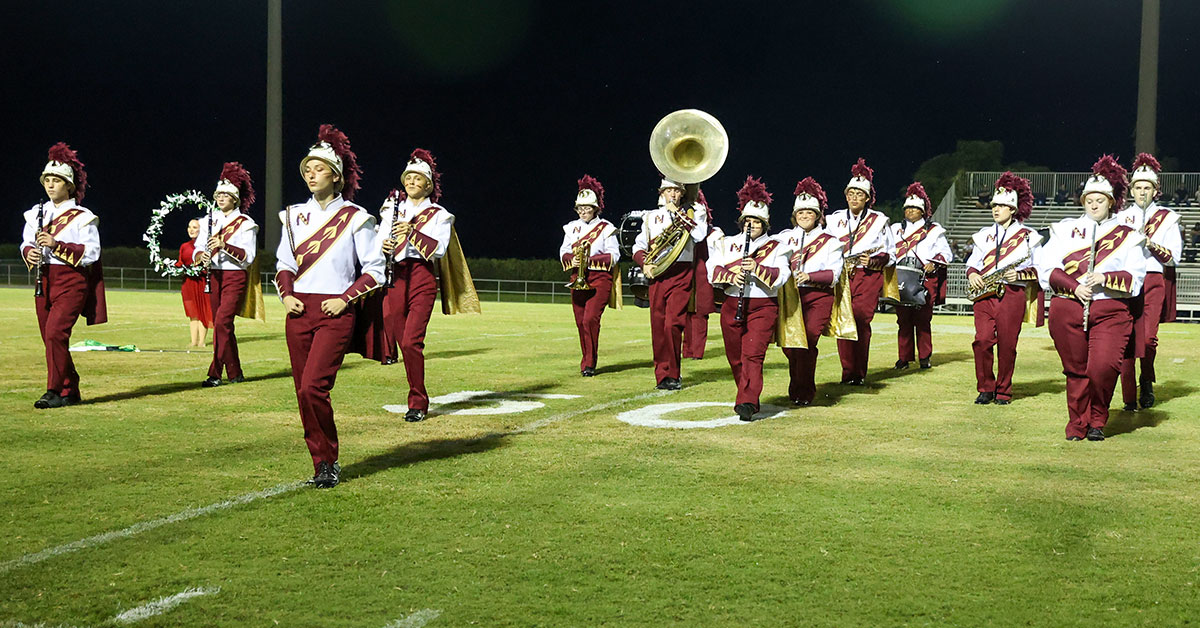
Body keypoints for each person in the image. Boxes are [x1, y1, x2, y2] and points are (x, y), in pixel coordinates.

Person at [275, 124, 386, 488]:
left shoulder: (356, 217)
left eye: (319, 168)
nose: (311, 174)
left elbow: (375, 271)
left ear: (336, 176)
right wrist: (286, 295)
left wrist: (344, 299)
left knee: (313, 389)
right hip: (298, 311)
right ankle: (321, 462)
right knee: (301, 393)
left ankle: (329, 459)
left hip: (334, 311)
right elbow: (284, 265)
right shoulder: (292, 216)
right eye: (307, 169)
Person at [1036, 156, 1145, 441]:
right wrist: (1074, 286)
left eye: (1100, 200)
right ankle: (1078, 424)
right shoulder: (1063, 228)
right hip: (1068, 306)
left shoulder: (1128, 236)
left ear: (1111, 201)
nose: (1094, 205)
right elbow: (1046, 268)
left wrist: (1104, 279)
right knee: (1075, 371)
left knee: (1102, 367)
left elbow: (1136, 278)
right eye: (1089, 200)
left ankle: (1098, 416)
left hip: (1110, 309)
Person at [379, 148, 480, 422]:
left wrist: (411, 233)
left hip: (422, 277)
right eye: (408, 178)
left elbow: (439, 250)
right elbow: (377, 243)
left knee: (412, 342)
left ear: (428, 185)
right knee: (398, 337)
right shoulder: (391, 208)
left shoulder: (438, 214)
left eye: (418, 178)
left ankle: (418, 402)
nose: (412, 182)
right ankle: (415, 394)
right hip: (395, 275)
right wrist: (384, 245)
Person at [21, 142, 106, 409]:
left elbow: (92, 253)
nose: (50, 184)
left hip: (71, 281)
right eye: (47, 179)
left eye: (56, 180)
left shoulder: (83, 217)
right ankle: (71, 387)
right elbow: (25, 241)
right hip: (43, 280)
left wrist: (56, 245)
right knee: (50, 337)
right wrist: (29, 253)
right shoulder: (36, 213)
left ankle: (54, 390)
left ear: (69, 185)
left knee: (56, 333)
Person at [707, 177, 789, 421]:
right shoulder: (727, 243)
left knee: (753, 354)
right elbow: (712, 269)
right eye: (747, 221)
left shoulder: (777, 246)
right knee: (735, 357)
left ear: (765, 224)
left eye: (756, 222)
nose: (751, 225)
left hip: (763, 305)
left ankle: (747, 401)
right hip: (733, 303)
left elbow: (782, 275)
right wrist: (731, 275)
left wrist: (757, 267)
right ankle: (747, 392)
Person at [965, 172, 1043, 405]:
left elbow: (1040, 270)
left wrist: (1019, 275)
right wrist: (972, 274)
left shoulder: (1030, 237)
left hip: (1012, 294)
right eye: (994, 205)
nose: (996, 209)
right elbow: (972, 264)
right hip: (985, 294)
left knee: (1008, 345)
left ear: (1012, 209)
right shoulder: (983, 235)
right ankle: (985, 388)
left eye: (1001, 206)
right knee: (982, 340)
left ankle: (1004, 390)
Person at [1116, 153, 1182, 410]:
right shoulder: (1120, 217)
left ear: (1156, 191)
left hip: (1154, 280)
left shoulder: (1168, 217)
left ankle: (1146, 380)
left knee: (1147, 339)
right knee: (1125, 337)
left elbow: (1173, 258)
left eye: (1147, 188)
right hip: (1125, 281)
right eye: (1138, 187)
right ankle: (1129, 396)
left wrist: (1151, 243)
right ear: (1131, 190)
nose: (1142, 192)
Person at [632, 176, 708, 390]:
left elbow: (700, 235)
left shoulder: (695, 212)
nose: (672, 195)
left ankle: (673, 374)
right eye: (668, 191)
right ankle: (661, 375)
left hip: (681, 272)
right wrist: (643, 263)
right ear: (661, 193)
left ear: (682, 193)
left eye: (676, 191)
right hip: (657, 273)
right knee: (658, 325)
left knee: (673, 323)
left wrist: (679, 214)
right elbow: (639, 245)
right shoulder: (651, 217)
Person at [774, 177, 843, 406]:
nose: (805, 216)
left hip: (817, 297)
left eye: (809, 212)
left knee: (807, 341)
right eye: (801, 212)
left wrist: (810, 276)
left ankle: (803, 391)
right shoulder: (782, 238)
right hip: (790, 298)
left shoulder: (831, 241)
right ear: (795, 215)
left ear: (818, 215)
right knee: (789, 345)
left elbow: (834, 274)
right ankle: (798, 387)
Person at [825, 158, 893, 386]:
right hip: (842, 275)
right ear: (846, 196)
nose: (854, 198)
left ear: (867, 198)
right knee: (844, 319)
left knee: (861, 318)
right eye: (851, 193)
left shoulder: (878, 220)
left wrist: (873, 260)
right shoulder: (834, 219)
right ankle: (848, 372)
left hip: (867, 275)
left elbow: (889, 253)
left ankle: (859, 372)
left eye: (859, 194)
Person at [195, 162, 259, 387]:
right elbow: (198, 248)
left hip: (234, 276)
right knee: (222, 326)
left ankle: (214, 373)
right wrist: (200, 256)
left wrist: (224, 245)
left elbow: (248, 257)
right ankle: (235, 373)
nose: (220, 198)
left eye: (225, 195)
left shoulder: (246, 224)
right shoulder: (208, 221)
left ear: (235, 198)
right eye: (218, 194)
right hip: (214, 276)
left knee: (222, 322)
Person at [559, 175, 621, 376]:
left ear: (595, 208)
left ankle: (589, 363)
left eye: (587, 208)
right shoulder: (571, 227)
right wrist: (572, 259)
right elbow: (563, 251)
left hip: (599, 278)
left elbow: (614, 255)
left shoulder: (606, 228)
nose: (583, 212)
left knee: (590, 319)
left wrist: (589, 257)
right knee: (579, 321)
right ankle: (586, 359)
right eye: (580, 208)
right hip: (577, 276)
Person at [889, 182, 952, 370]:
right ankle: (904, 357)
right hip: (901, 276)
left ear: (922, 211)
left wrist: (934, 263)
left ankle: (924, 356)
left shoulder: (934, 230)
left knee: (923, 319)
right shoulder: (894, 229)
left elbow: (946, 254)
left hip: (924, 277)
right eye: (907, 208)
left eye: (914, 208)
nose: (910, 211)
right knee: (903, 319)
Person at [682, 191, 716, 360]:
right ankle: (687, 350)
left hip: (702, 271)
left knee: (700, 312)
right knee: (686, 311)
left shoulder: (713, 232)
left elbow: (699, 236)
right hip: (687, 268)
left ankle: (697, 351)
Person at [178, 219, 213, 347]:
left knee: (202, 311)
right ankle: (193, 341)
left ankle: (202, 342)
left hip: (202, 281)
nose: (191, 230)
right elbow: (180, 262)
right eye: (189, 227)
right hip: (188, 283)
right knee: (192, 313)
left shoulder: (206, 246)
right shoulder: (184, 246)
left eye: (195, 227)